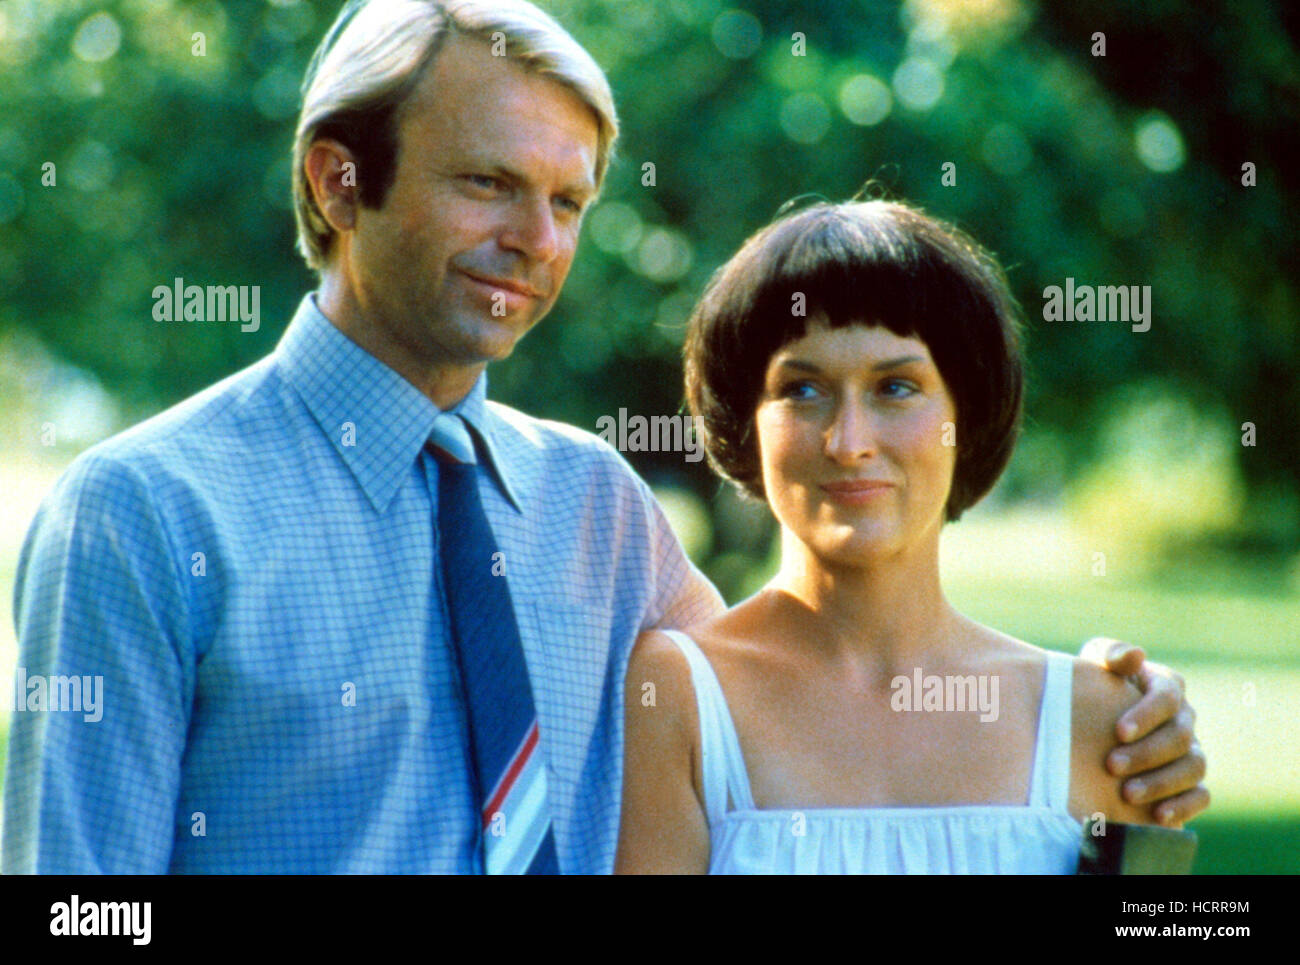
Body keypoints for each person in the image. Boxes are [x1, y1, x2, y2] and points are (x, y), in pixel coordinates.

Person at [4, 0, 1205, 875]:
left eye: (568, 200)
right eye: (487, 182)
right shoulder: (145, 513)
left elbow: (829, 681)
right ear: (336, 181)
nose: (536, 237)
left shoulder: (593, 503)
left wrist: (1111, 698)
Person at [616, 199, 1197, 874]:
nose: (849, 441)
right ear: (744, 421)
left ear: (967, 412)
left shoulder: (1099, 719)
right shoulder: (674, 695)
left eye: (896, 386)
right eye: (802, 390)